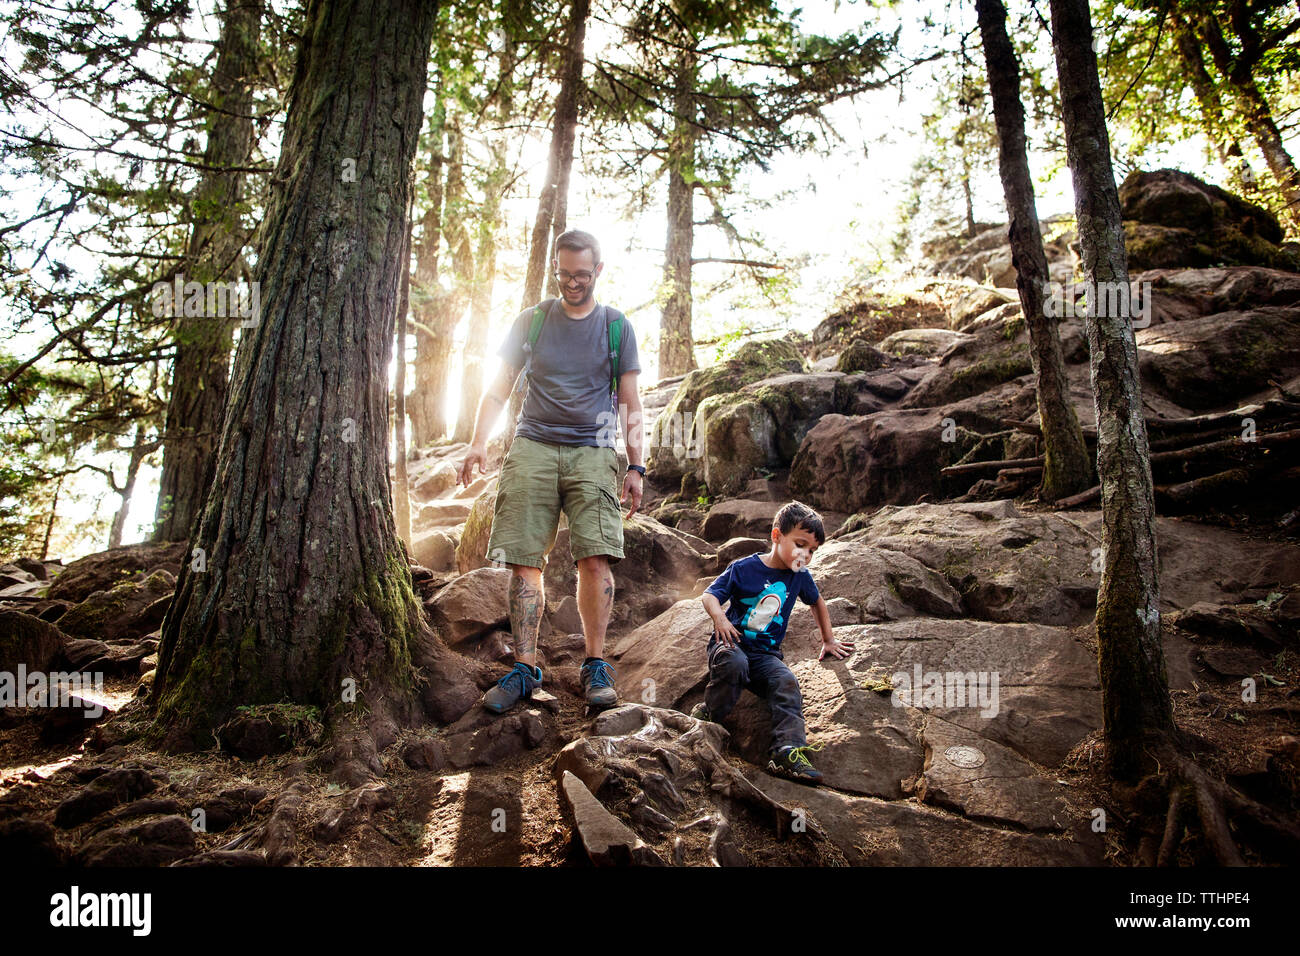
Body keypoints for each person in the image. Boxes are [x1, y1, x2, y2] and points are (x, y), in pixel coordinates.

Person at [457, 229, 644, 714]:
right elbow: (497, 389)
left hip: (594, 451)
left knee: (595, 557)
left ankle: (595, 665)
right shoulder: (533, 321)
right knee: (524, 560)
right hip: (533, 446)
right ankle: (523, 667)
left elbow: (630, 401)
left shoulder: (616, 327)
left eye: (582, 274)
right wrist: (478, 443)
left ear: (599, 270)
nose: (572, 283)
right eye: (564, 274)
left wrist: (636, 463)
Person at [692, 501, 855, 784]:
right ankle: (710, 714)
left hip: (765, 656)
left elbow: (817, 602)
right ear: (777, 536)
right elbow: (710, 596)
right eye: (800, 544)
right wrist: (721, 620)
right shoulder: (744, 568)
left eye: (812, 551)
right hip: (731, 645)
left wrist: (829, 640)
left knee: (786, 682)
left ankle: (786, 751)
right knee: (734, 664)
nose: (805, 555)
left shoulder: (800, 576)